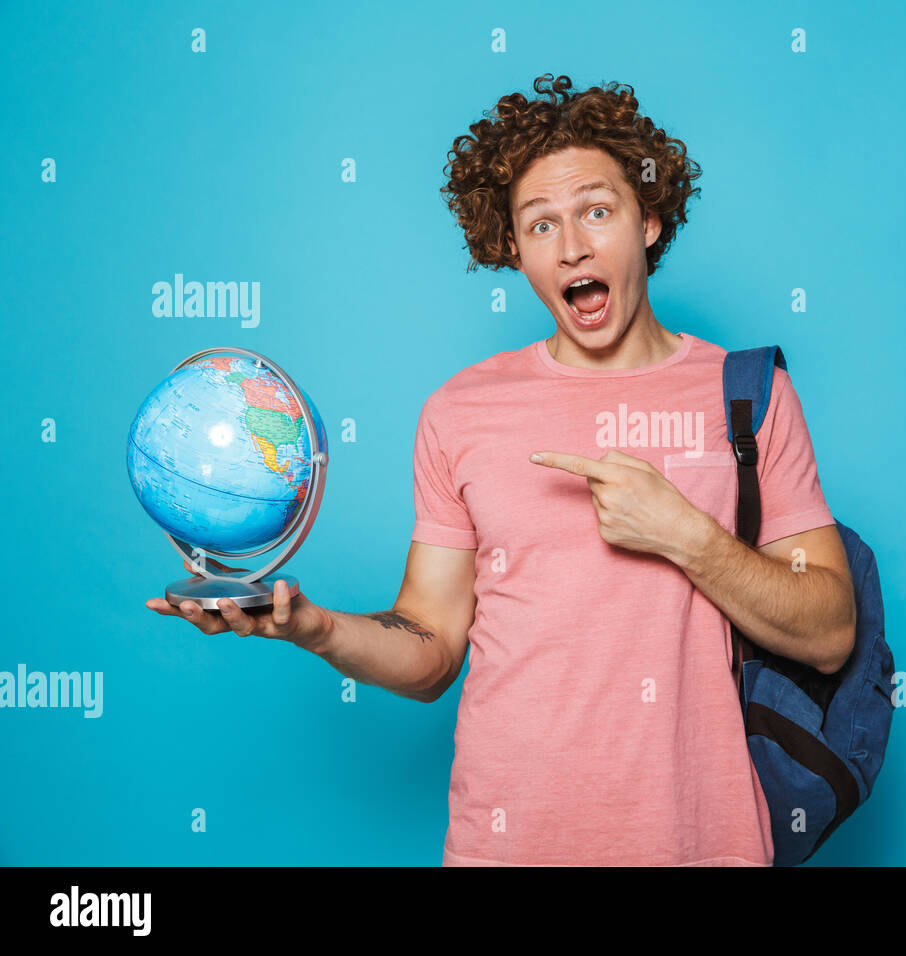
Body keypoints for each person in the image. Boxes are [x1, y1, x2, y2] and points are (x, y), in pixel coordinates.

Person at [146, 73, 856, 866]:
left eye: (597, 210)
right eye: (540, 224)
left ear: (649, 220)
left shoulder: (747, 396)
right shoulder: (461, 410)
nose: (574, 246)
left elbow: (829, 634)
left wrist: (687, 535)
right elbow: (431, 649)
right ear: (513, 249)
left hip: (701, 843)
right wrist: (312, 628)